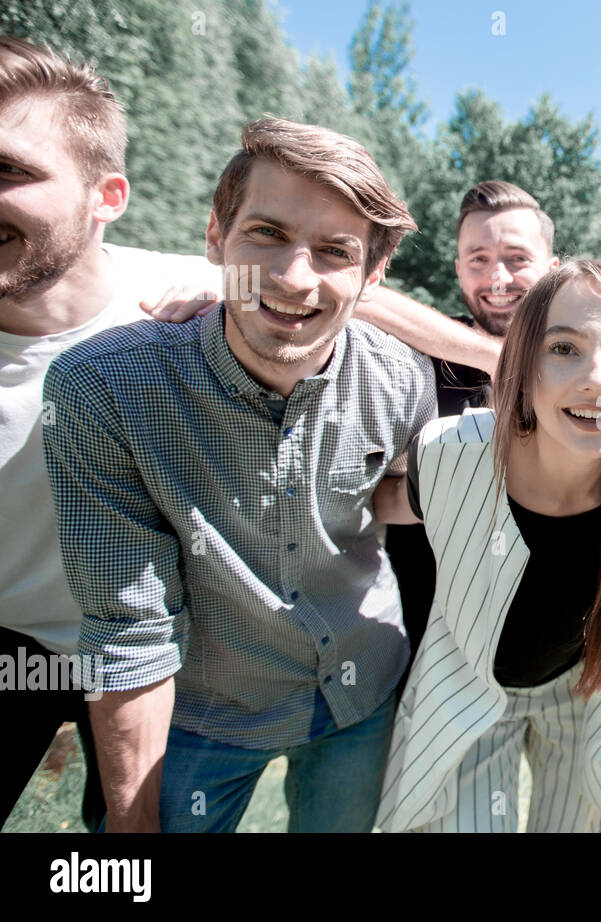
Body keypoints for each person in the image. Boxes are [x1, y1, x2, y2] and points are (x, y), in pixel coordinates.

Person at [42, 116, 439, 833]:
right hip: (200, 714)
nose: (293, 277)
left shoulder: (404, 379)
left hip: (362, 688)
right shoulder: (106, 389)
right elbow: (129, 630)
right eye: (266, 234)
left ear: (372, 275)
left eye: (333, 251)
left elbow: (389, 496)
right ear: (216, 236)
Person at [0, 35, 225, 832]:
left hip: (162, 646)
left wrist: (502, 356)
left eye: (11, 171)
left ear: (107, 196)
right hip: (13, 644)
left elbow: (348, 296)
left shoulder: (186, 294)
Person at [374, 259, 601, 832]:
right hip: (468, 692)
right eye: (563, 348)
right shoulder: (450, 454)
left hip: (582, 690)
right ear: (521, 363)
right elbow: (373, 507)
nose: (598, 379)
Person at [382, 181, 559, 657]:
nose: (497, 278)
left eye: (518, 258)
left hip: (561, 657)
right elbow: (380, 500)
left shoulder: (593, 365)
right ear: (459, 270)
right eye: (477, 259)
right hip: (436, 655)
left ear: (553, 269)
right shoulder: (415, 359)